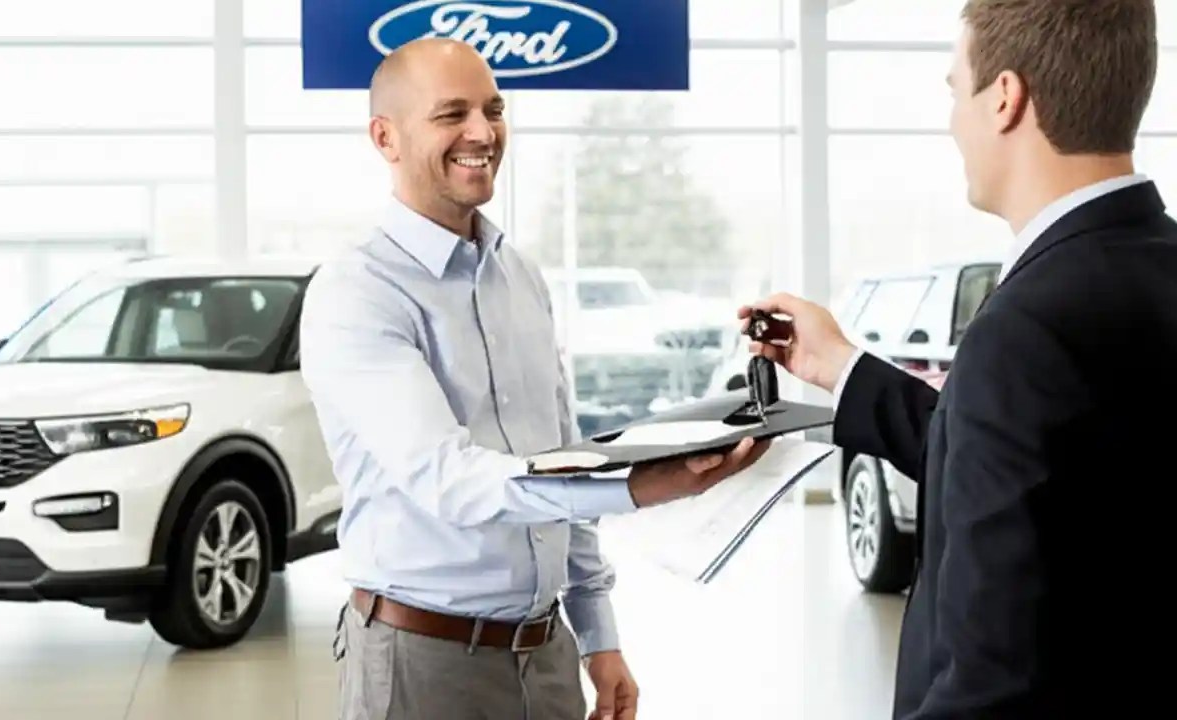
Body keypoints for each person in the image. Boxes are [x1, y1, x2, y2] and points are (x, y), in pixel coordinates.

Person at [299, 37, 767, 720]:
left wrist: (597, 634)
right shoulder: (357, 292)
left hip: (545, 651)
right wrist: (638, 486)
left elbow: (557, 456)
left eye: (494, 109)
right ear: (385, 138)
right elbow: (447, 477)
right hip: (419, 662)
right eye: (451, 114)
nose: (483, 133)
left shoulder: (520, 275)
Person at [742, 1, 1177, 717]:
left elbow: (992, 680)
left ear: (1005, 98)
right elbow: (1051, 471)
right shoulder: (1153, 271)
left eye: (955, 89)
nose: (952, 120)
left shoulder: (1028, 323)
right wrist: (846, 368)